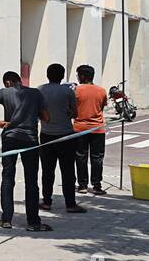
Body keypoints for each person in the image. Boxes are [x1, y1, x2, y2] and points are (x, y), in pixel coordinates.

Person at [0, 71, 51, 231]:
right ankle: (33, 221)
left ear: (8, 82)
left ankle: (6, 219)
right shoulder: (35, 93)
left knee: (7, 178)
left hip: (10, 138)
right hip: (30, 139)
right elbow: (46, 117)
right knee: (31, 180)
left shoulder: (4, 92)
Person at [38, 64, 85, 214]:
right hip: (65, 134)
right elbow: (75, 113)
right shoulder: (68, 91)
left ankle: (46, 202)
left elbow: (38, 111)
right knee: (68, 171)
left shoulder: (40, 90)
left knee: (47, 170)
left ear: (47, 75)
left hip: (46, 135)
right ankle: (70, 204)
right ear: (62, 76)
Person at [73, 65, 109, 196]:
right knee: (97, 157)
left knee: (80, 157)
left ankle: (82, 185)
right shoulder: (101, 90)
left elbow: (72, 109)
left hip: (79, 129)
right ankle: (96, 185)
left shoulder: (76, 90)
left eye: (78, 75)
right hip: (98, 129)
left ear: (82, 76)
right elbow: (102, 108)